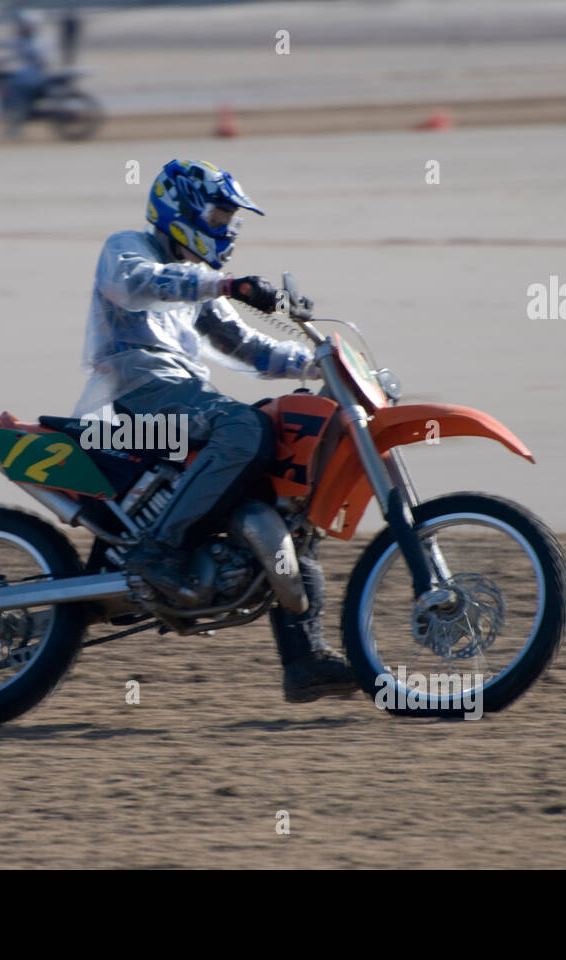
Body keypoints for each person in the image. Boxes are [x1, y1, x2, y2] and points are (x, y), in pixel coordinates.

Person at [75, 159, 360, 702]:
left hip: (182, 406)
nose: (227, 227)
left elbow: (246, 346)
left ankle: (304, 660)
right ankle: (158, 550)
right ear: (179, 207)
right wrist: (225, 283)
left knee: (289, 488)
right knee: (244, 425)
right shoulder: (129, 248)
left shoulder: (199, 287)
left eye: (234, 218)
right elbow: (141, 284)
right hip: (133, 401)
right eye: (219, 212)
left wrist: (319, 363)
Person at [0, 9, 52, 137]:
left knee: (13, 88)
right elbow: (7, 51)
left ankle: (16, 122)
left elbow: (40, 59)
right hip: (31, 73)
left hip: (35, 75)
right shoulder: (25, 39)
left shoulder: (38, 41)